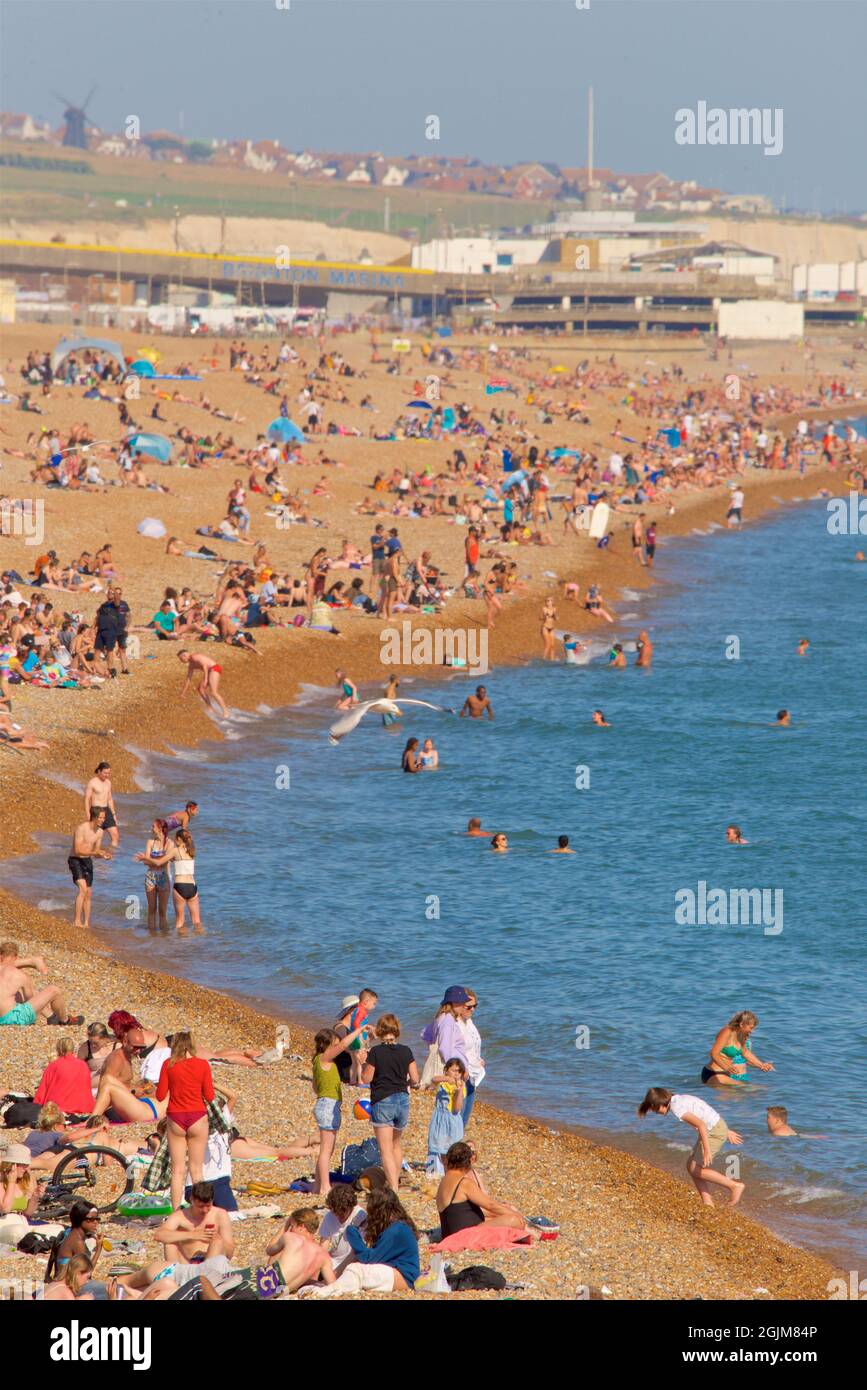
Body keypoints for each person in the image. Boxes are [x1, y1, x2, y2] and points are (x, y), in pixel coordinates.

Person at [637, 1088, 745, 1207]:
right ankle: (707, 1201)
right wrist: (725, 1130)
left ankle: (734, 1186)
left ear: (659, 1104)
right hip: (715, 1127)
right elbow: (703, 1110)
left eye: (655, 1110)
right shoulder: (679, 1099)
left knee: (696, 1168)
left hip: (712, 1131)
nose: (656, 1113)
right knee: (690, 1166)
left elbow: (702, 1125)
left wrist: (707, 1148)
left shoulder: (676, 1108)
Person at [301, 1190, 419, 1296]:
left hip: (403, 1277)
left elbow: (368, 1259)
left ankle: (328, 1290)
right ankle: (331, 1288)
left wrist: (352, 1233)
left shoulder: (396, 1230)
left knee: (356, 1269)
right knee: (356, 1270)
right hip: (400, 1274)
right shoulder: (397, 1226)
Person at [155, 1032, 215, 1210]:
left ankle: (175, 1212)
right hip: (197, 1116)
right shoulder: (202, 1064)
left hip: (176, 1117)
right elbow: (210, 1096)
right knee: (197, 1170)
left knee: (177, 1170)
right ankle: (201, 1210)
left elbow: (160, 1096)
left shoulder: (168, 1065)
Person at [362, 1014, 419, 1192]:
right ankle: (395, 1180)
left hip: (383, 1099)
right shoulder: (406, 1051)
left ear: (379, 1032)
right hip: (402, 1099)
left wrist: (364, 1059)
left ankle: (393, 1188)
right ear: (396, 1031)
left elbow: (366, 1077)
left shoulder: (376, 1053)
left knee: (385, 1149)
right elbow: (415, 1079)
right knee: (396, 1145)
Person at [310, 1021, 366, 1194]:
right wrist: (359, 1030)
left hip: (325, 1104)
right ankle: (325, 1187)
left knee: (327, 1150)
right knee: (326, 1151)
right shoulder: (324, 1058)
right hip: (327, 1106)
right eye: (333, 1045)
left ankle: (317, 1185)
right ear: (327, 1045)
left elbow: (314, 1087)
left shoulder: (319, 1061)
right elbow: (343, 1044)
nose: (337, 1048)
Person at [436, 1141, 531, 1236]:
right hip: (465, 1234)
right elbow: (491, 1205)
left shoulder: (445, 1180)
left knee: (499, 1217)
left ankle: (534, 1233)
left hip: (449, 1233)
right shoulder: (464, 1183)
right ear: (467, 1161)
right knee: (514, 1221)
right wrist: (515, 1214)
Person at [135, 828, 202, 933]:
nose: (174, 841)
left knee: (180, 922)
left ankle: (181, 945)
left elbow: (158, 863)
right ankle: (200, 943)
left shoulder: (176, 850)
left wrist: (145, 858)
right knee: (197, 921)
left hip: (180, 887)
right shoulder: (192, 850)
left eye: (176, 839)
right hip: (193, 887)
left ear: (179, 839)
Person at [0, 941, 81, 1027]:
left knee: (16, 992)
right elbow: (29, 1000)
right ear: (16, 956)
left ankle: (52, 1017)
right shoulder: (20, 976)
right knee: (54, 990)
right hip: (13, 1019)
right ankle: (65, 1021)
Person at [701, 1010, 774, 1087]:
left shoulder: (742, 1035)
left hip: (727, 1074)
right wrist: (727, 1067)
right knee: (747, 1088)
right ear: (742, 1024)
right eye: (751, 1028)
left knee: (741, 1095)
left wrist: (762, 1065)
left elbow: (745, 1053)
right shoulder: (727, 1031)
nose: (752, 1031)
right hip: (714, 1074)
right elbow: (713, 1053)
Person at [68, 808, 113, 929]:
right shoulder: (81, 828)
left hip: (87, 861)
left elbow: (96, 851)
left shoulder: (100, 832)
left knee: (88, 892)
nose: (103, 820)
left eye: (104, 818)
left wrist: (104, 855)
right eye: (101, 818)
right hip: (75, 859)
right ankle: (77, 921)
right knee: (82, 889)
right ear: (94, 817)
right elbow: (77, 850)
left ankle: (86, 923)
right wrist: (95, 852)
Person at [426, 1058, 467, 1175]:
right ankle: (431, 1171)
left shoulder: (461, 1087)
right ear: (446, 1071)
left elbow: (457, 1108)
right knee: (434, 1145)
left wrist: (458, 1092)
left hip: (452, 1120)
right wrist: (447, 1079)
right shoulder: (443, 1083)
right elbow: (433, 1080)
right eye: (454, 1070)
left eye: (459, 1072)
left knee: (451, 1149)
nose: (456, 1074)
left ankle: (449, 1172)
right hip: (439, 1118)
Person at [34, 1037, 94, 1116]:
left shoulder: (54, 1065)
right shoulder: (83, 1065)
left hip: (58, 1107)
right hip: (84, 1106)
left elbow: (42, 1090)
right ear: (72, 1049)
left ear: (59, 1049)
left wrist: (36, 1105)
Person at [317, 1185, 367, 1269]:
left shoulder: (360, 1216)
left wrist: (336, 1274)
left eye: (342, 1214)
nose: (338, 1217)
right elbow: (323, 1245)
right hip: (332, 1262)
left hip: (353, 1264)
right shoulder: (330, 1216)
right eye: (335, 1213)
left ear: (351, 1207)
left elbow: (358, 1251)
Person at [178, 649, 229, 720]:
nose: (181, 661)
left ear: (184, 656)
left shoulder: (194, 657)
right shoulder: (191, 665)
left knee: (214, 692)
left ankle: (226, 712)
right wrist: (183, 693)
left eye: (181, 659)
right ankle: (210, 708)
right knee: (200, 689)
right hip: (209, 671)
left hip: (214, 668)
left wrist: (205, 679)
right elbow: (188, 679)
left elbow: (205, 666)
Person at [141, 818, 171, 931]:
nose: (151, 828)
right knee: (152, 908)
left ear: (160, 829)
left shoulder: (169, 843)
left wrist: (152, 860)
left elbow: (163, 862)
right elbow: (145, 862)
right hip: (150, 876)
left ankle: (164, 936)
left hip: (163, 877)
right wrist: (157, 861)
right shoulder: (150, 842)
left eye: (153, 826)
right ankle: (152, 936)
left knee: (162, 910)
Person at [84, 762, 119, 848]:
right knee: (96, 838)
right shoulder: (92, 782)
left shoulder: (108, 782)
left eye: (108, 773)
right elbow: (87, 799)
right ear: (99, 771)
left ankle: (109, 856)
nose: (107, 775)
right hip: (96, 810)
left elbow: (110, 798)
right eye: (105, 773)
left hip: (106, 810)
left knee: (115, 836)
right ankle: (94, 857)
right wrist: (88, 814)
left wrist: (113, 813)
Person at [541, 596, 557, 660]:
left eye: (549, 601)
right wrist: (545, 616)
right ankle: (543, 659)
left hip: (552, 628)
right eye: (546, 601)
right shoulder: (544, 608)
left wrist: (555, 615)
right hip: (545, 627)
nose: (547, 602)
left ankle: (552, 659)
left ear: (552, 602)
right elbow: (544, 616)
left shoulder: (554, 609)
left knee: (553, 646)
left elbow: (555, 618)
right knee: (548, 645)